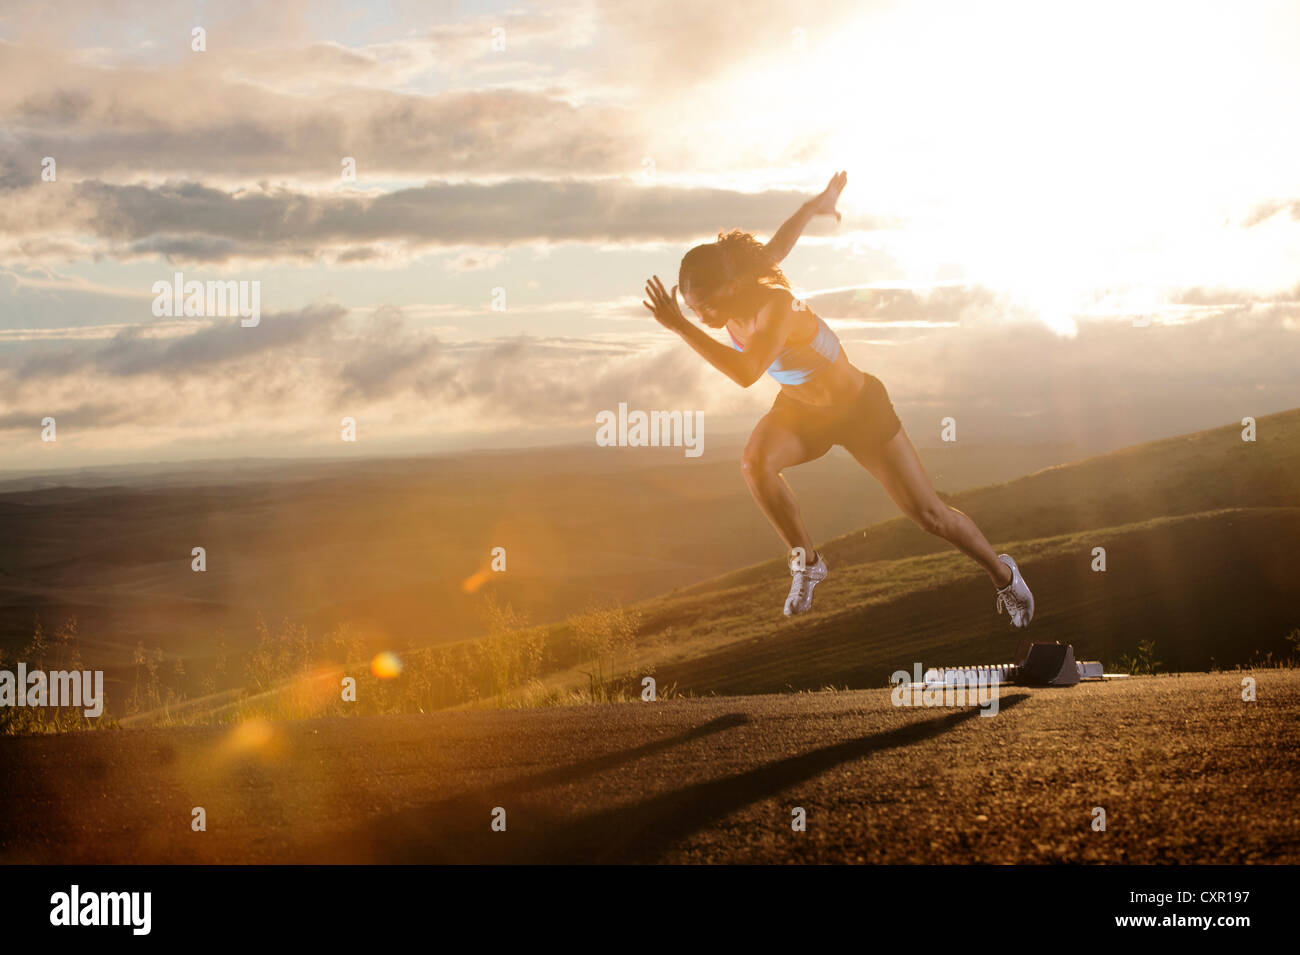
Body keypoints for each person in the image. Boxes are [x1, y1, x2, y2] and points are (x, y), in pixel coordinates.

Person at [641, 171, 1034, 625]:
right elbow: (780, 245)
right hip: (802, 411)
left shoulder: (776, 306)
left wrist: (680, 327)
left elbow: (748, 373)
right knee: (754, 463)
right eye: (692, 308)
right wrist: (815, 205)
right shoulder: (740, 276)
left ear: (731, 287)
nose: (702, 316)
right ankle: (808, 563)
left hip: (859, 410)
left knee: (931, 516)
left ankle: (1004, 576)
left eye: (707, 306)